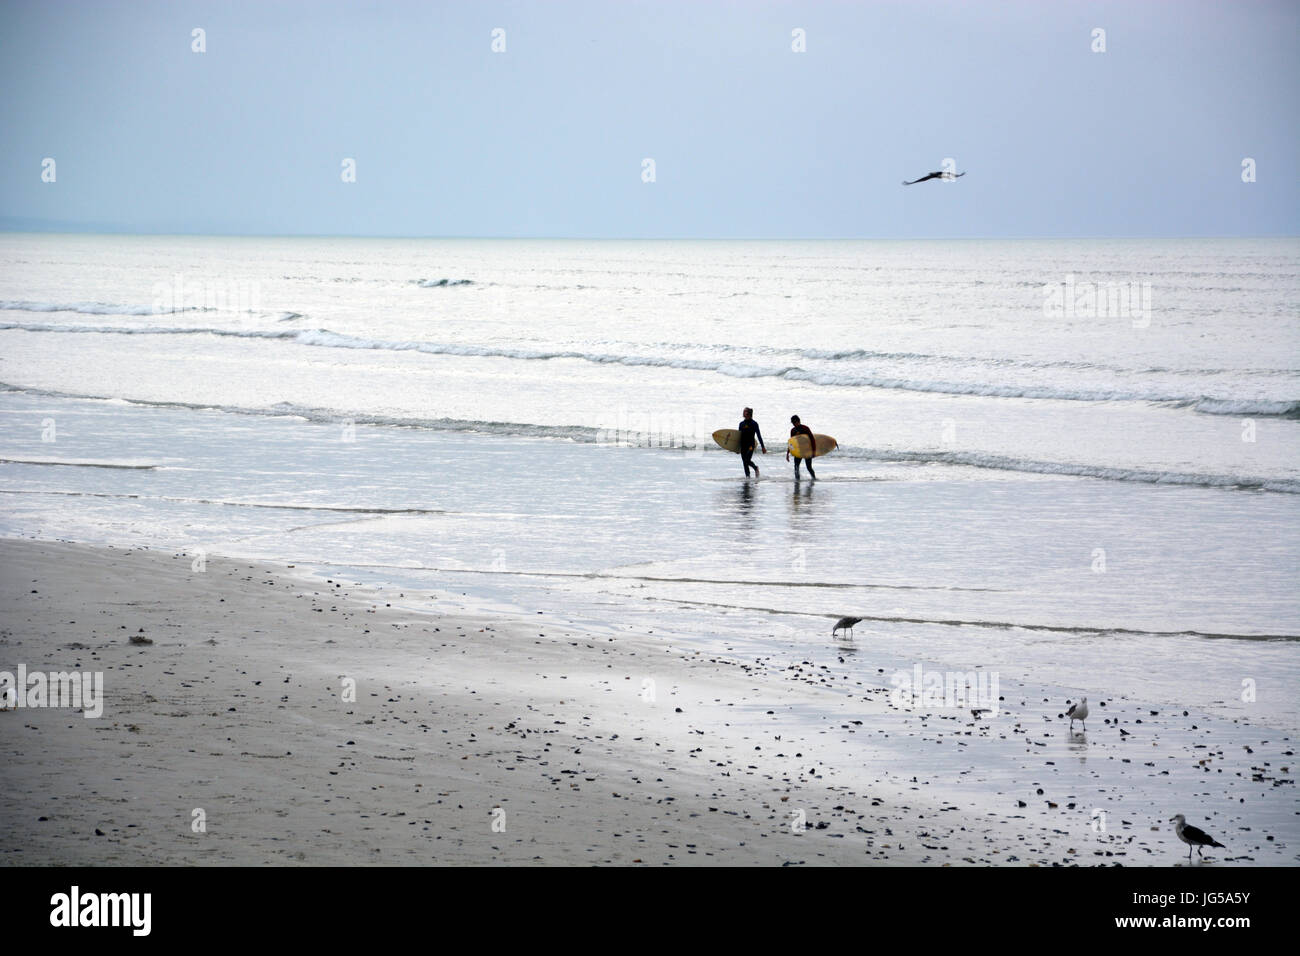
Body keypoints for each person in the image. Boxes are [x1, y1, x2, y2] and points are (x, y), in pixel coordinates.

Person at [738, 407, 766, 477]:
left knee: (747, 460)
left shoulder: (754, 423)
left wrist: (763, 447)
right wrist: (737, 448)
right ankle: (748, 477)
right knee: (744, 462)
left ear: (748, 413)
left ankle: (755, 468)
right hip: (743, 445)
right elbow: (738, 437)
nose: (743, 413)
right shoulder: (741, 424)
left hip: (750, 445)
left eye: (744, 411)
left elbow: (759, 436)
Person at [786, 414, 816, 480]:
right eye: (792, 423)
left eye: (794, 422)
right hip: (798, 451)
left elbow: (812, 439)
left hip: (807, 450)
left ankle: (814, 479)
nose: (793, 424)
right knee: (796, 467)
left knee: (809, 467)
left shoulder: (805, 428)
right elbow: (791, 443)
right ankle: (797, 481)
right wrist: (788, 453)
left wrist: (813, 451)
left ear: (798, 421)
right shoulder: (793, 430)